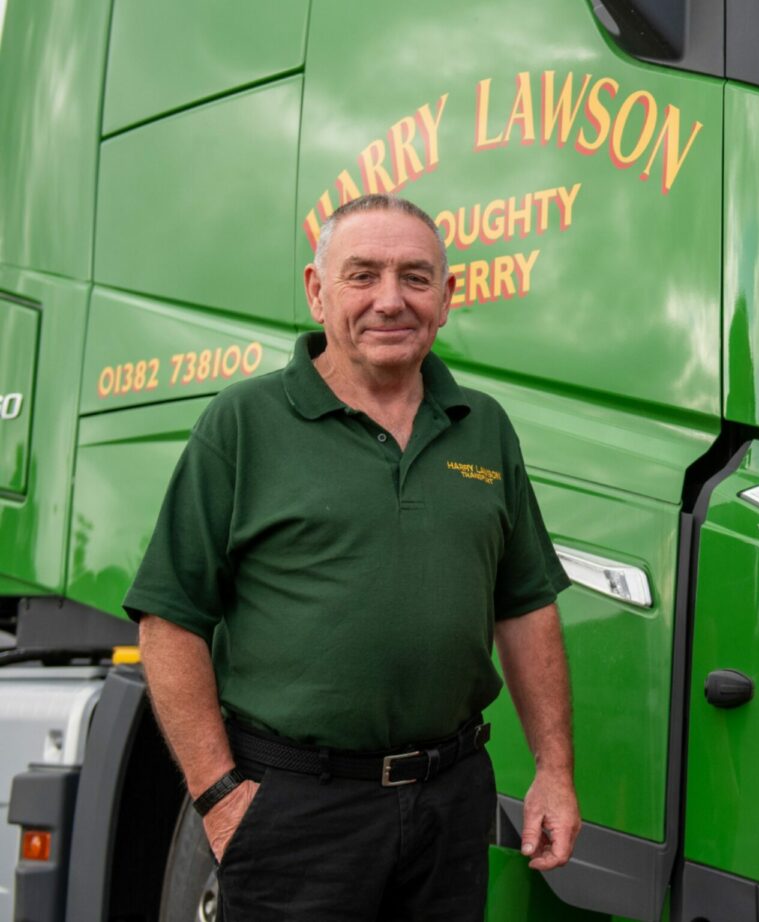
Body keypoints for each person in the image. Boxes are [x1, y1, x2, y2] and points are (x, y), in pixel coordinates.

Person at [124, 193, 580, 921]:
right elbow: (168, 621)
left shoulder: (483, 428)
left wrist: (555, 772)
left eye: (416, 277)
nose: (390, 301)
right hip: (296, 810)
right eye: (362, 275)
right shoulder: (244, 423)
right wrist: (218, 797)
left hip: (449, 803)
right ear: (317, 290)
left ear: (447, 296)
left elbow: (524, 606)